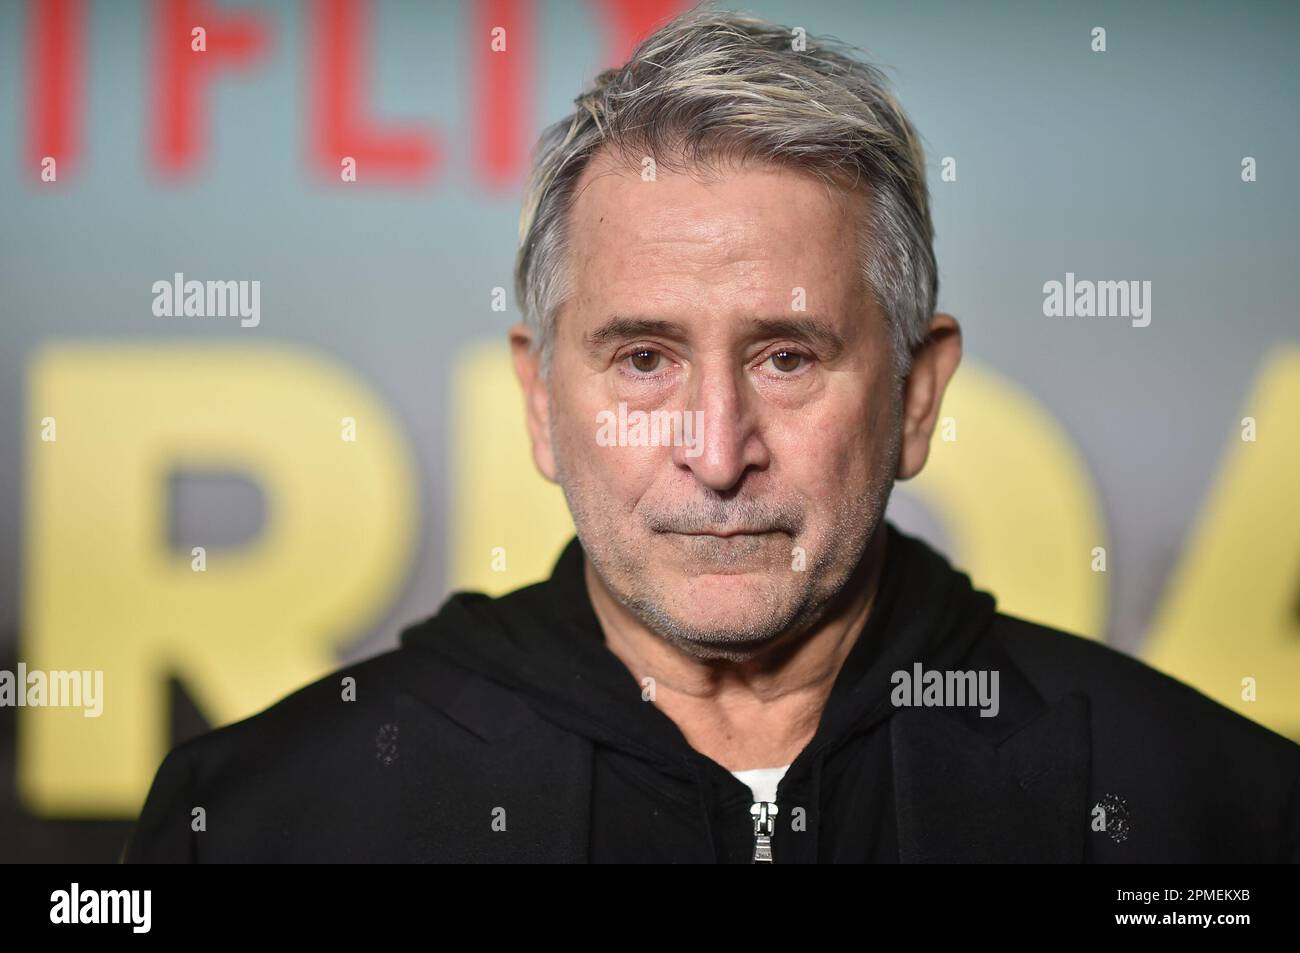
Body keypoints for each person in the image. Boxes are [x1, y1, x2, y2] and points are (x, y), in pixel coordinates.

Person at [125, 5, 1299, 863]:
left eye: (787, 357)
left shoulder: (1221, 810)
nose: (719, 450)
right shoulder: (259, 821)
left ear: (917, 396)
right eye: (645, 358)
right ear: (540, 402)